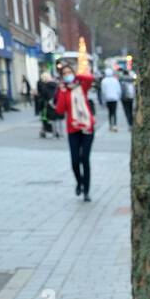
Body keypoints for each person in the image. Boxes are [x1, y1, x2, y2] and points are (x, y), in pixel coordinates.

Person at [54, 59, 95, 201]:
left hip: (87, 127)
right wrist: (61, 91)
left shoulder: (81, 87)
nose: (67, 75)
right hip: (73, 130)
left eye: (69, 72)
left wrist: (77, 76)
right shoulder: (63, 91)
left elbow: (90, 78)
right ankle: (79, 182)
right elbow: (60, 110)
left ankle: (86, 192)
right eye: (64, 74)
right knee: (75, 161)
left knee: (85, 159)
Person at [100, 67, 122, 131]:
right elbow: (118, 89)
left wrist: (103, 99)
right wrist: (118, 97)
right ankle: (115, 125)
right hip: (115, 98)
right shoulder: (115, 80)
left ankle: (110, 125)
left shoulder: (104, 81)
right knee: (114, 112)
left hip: (108, 98)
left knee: (109, 112)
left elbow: (103, 91)